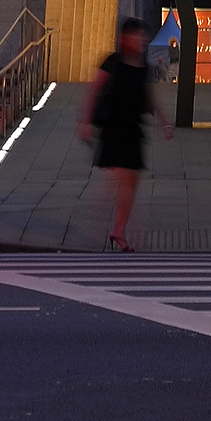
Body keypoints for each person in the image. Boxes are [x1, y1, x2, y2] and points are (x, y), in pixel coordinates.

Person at [79, 17, 171, 250]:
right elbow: (93, 91)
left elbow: (151, 99)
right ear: (124, 38)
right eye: (137, 35)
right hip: (113, 127)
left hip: (133, 128)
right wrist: (86, 121)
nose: (141, 40)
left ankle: (118, 229)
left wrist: (165, 123)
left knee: (130, 180)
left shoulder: (143, 67)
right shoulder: (112, 62)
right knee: (124, 178)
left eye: (143, 36)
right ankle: (109, 224)